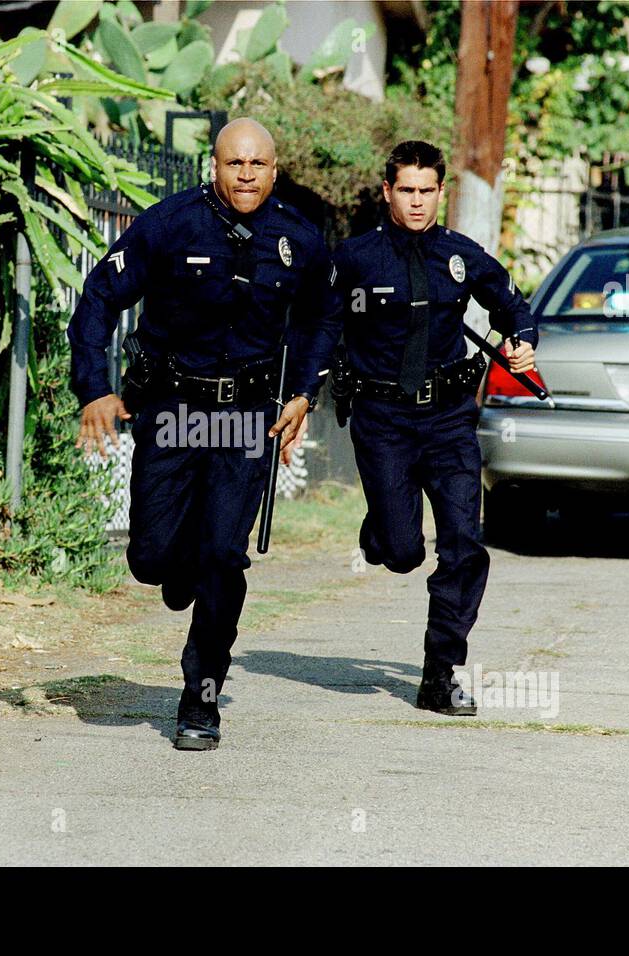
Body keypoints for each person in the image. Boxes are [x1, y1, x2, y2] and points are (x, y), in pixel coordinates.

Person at [67, 118, 340, 750]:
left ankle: (201, 696)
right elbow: (99, 299)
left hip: (247, 417)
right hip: (172, 410)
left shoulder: (300, 237)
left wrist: (303, 392)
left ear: (276, 170)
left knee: (223, 555)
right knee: (151, 559)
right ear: (214, 167)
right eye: (234, 163)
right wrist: (94, 388)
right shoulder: (168, 225)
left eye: (258, 164)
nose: (246, 173)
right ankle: (176, 564)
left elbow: (324, 318)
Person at [329, 140, 539, 714]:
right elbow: (319, 327)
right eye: (406, 191)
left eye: (427, 191)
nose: (417, 202)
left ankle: (440, 672)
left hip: (449, 419)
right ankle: (381, 532)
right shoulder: (354, 258)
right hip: (383, 419)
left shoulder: (462, 254)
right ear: (387, 192)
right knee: (400, 550)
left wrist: (522, 342)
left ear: (441, 193)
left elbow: (513, 308)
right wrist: (301, 392)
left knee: (464, 545)